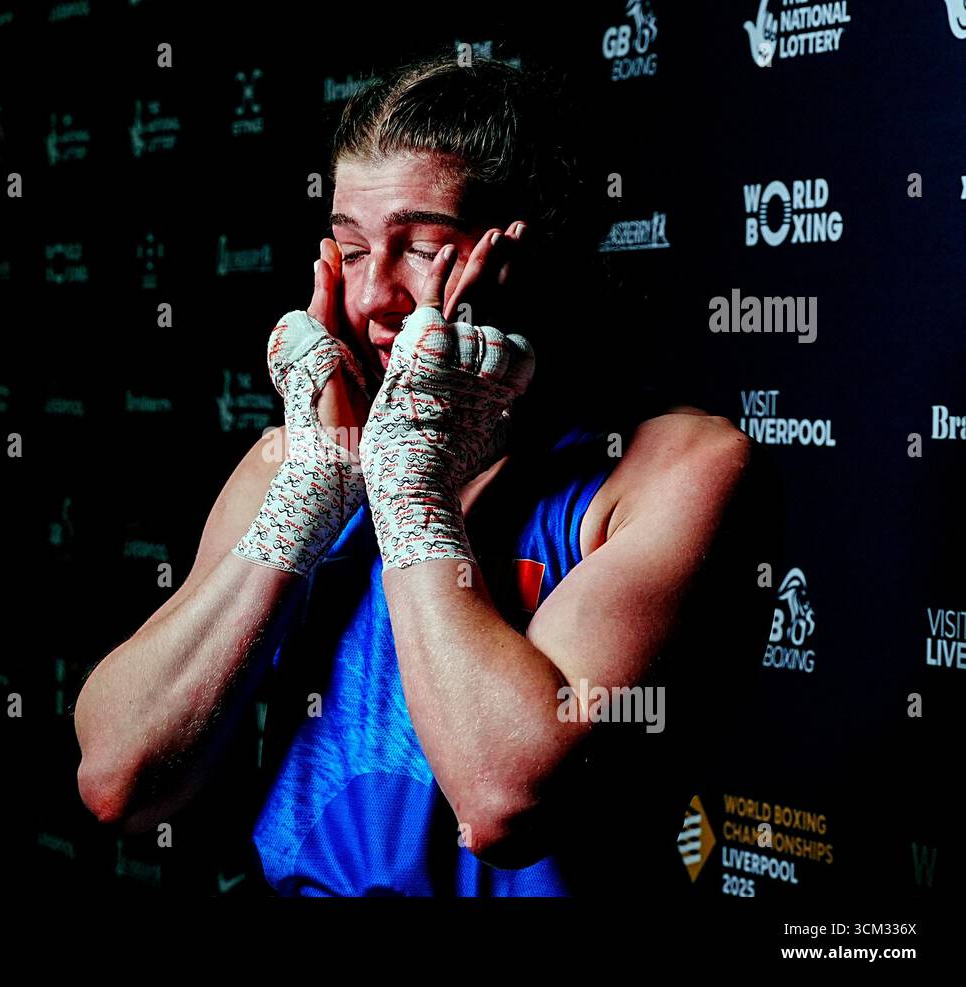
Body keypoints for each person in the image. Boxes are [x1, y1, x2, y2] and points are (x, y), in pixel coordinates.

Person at [75, 52, 777, 896]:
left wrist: (411, 482)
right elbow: (119, 778)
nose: (372, 297)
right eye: (350, 247)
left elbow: (502, 800)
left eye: (422, 249)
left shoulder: (671, 468)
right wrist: (310, 492)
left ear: (518, 250)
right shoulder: (297, 461)